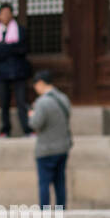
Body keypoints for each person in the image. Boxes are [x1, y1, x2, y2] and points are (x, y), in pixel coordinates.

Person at [28, 70, 72, 210]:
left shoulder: (42, 102)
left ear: (40, 83)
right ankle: (61, 211)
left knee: (44, 183)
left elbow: (35, 124)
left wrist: (31, 115)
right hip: (63, 147)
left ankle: (45, 212)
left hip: (46, 149)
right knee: (60, 182)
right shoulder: (64, 98)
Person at [0, 2, 31, 137]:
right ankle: (5, 130)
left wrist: (4, 48)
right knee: (4, 103)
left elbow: (23, 50)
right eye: (3, 13)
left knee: (22, 102)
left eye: (8, 13)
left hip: (19, 72)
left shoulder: (20, 30)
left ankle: (27, 129)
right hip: (2, 73)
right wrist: (10, 48)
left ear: (12, 15)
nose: (6, 16)